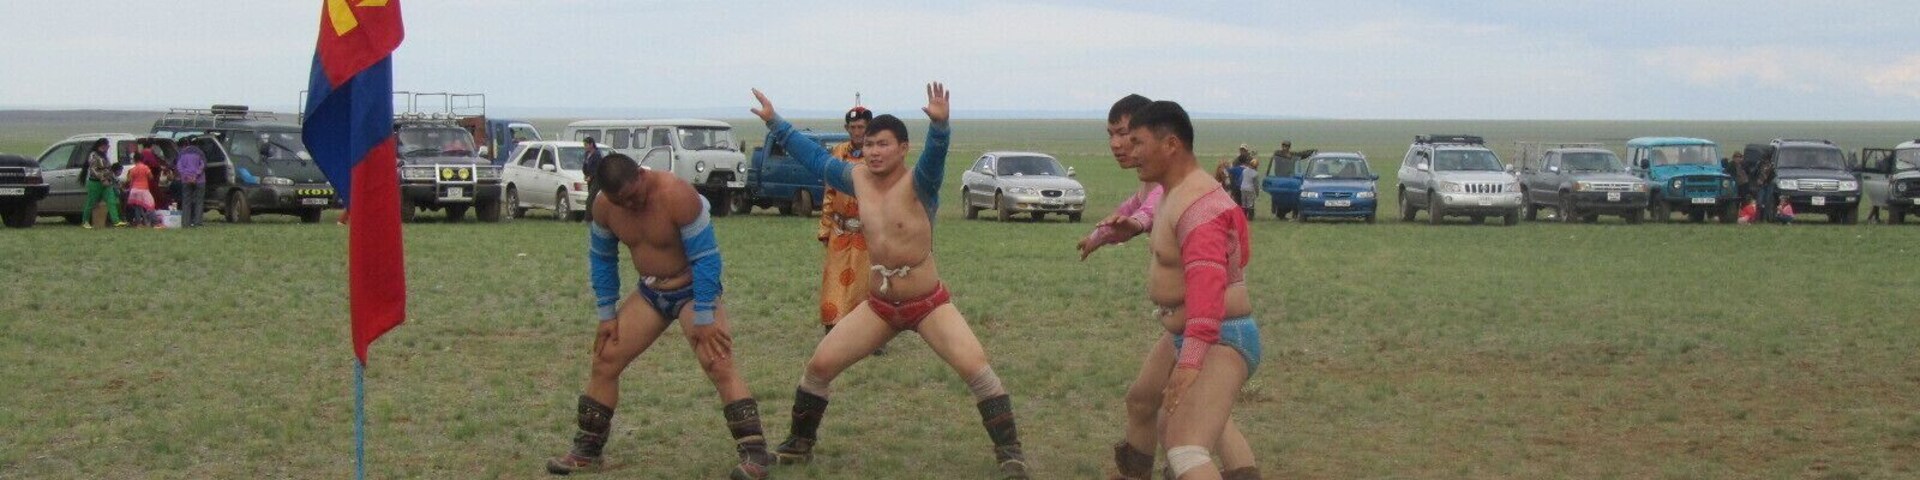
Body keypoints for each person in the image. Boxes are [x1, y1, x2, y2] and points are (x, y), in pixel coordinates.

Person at [752, 84, 1031, 478]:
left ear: (903, 147)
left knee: (977, 370)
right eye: (868, 144)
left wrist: (941, 126)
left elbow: (936, 156)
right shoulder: (856, 178)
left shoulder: (921, 183)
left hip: (928, 303)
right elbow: (814, 158)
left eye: (883, 144)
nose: (874, 152)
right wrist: (775, 123)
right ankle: (799, 445)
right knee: (819, 366)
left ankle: (1010, 454)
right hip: (879, 306)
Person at [543, 154, 771, 479]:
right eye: (621, 201)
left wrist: (705, 316)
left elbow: (707, 259)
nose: (631, 205)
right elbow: (602, 260)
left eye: (634, 196)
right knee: (605, 358)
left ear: (640, 174)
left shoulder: (677, 195)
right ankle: (587, 451)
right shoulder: (605, 209)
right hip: (651, 292)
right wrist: (607, 314)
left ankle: (756, 455)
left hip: (694, 291)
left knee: (718, 362)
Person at [1080, 95, 1261, 480]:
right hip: (1189, 331)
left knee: (1185, 448)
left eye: (1137, 142)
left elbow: (1209, 294)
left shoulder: (1199, 206)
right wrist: (1110, 233)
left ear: (1171, 144)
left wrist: (1191, 361)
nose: (1128, 150)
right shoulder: (1171, 191)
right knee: (1147, 406)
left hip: (1220, 337)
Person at [820, 105, 885, 354]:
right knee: (834, 282)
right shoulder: (838, 154)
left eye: (862, 127)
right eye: (853, 127)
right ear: (846, 128)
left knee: (868, 285)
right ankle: (832, 329)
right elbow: (829, 192)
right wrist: (825, 228)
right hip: (840, 228)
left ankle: (871, 338)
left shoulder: (877, 156)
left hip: (868, 232)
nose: (857, 132)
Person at [82, 138, 125, 228]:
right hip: (95, 183)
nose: (108, 147)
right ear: (102, 146)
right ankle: (85, 221)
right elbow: (93, 170)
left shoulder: (105, 156)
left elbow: (108, 170)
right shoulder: (94, 155)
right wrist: (102, 179)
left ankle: (116, 221)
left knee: (111, 201)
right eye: (107, 145)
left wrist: (115, 181)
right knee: (91, 202)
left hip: (107, 183)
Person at [176, 139, 207, 227]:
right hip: (200, 180)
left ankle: (186, 223)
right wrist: (196, 175)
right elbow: (203, 165)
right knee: (199, 201)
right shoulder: (200, 152)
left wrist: (186, 176)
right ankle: (198, 223)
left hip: (186, 180)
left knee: (186, 201)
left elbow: (179, 166)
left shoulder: (182, 153)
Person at [125, 157, 159, 227]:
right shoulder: (145, 168)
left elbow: (130, 181)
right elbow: (151, 177)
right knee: (151, 204)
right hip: (143, 189)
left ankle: (139, 223)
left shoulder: (132, 169)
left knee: (138, 206)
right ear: (142, 160)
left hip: (134, 190)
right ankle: (155, 222)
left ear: (134, 160)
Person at [580, 137, 605, 222]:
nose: (585, 146)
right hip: (589, 179)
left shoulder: (597, 154)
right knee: (591, 198)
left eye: (586, 145)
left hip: (596, 179)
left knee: (590, 198)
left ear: (591, 144)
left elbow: (598, 168)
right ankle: (593, 218)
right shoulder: (587, 154)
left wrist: (591, 176)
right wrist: (586, 174)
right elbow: (585, 165)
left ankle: (587, 219)